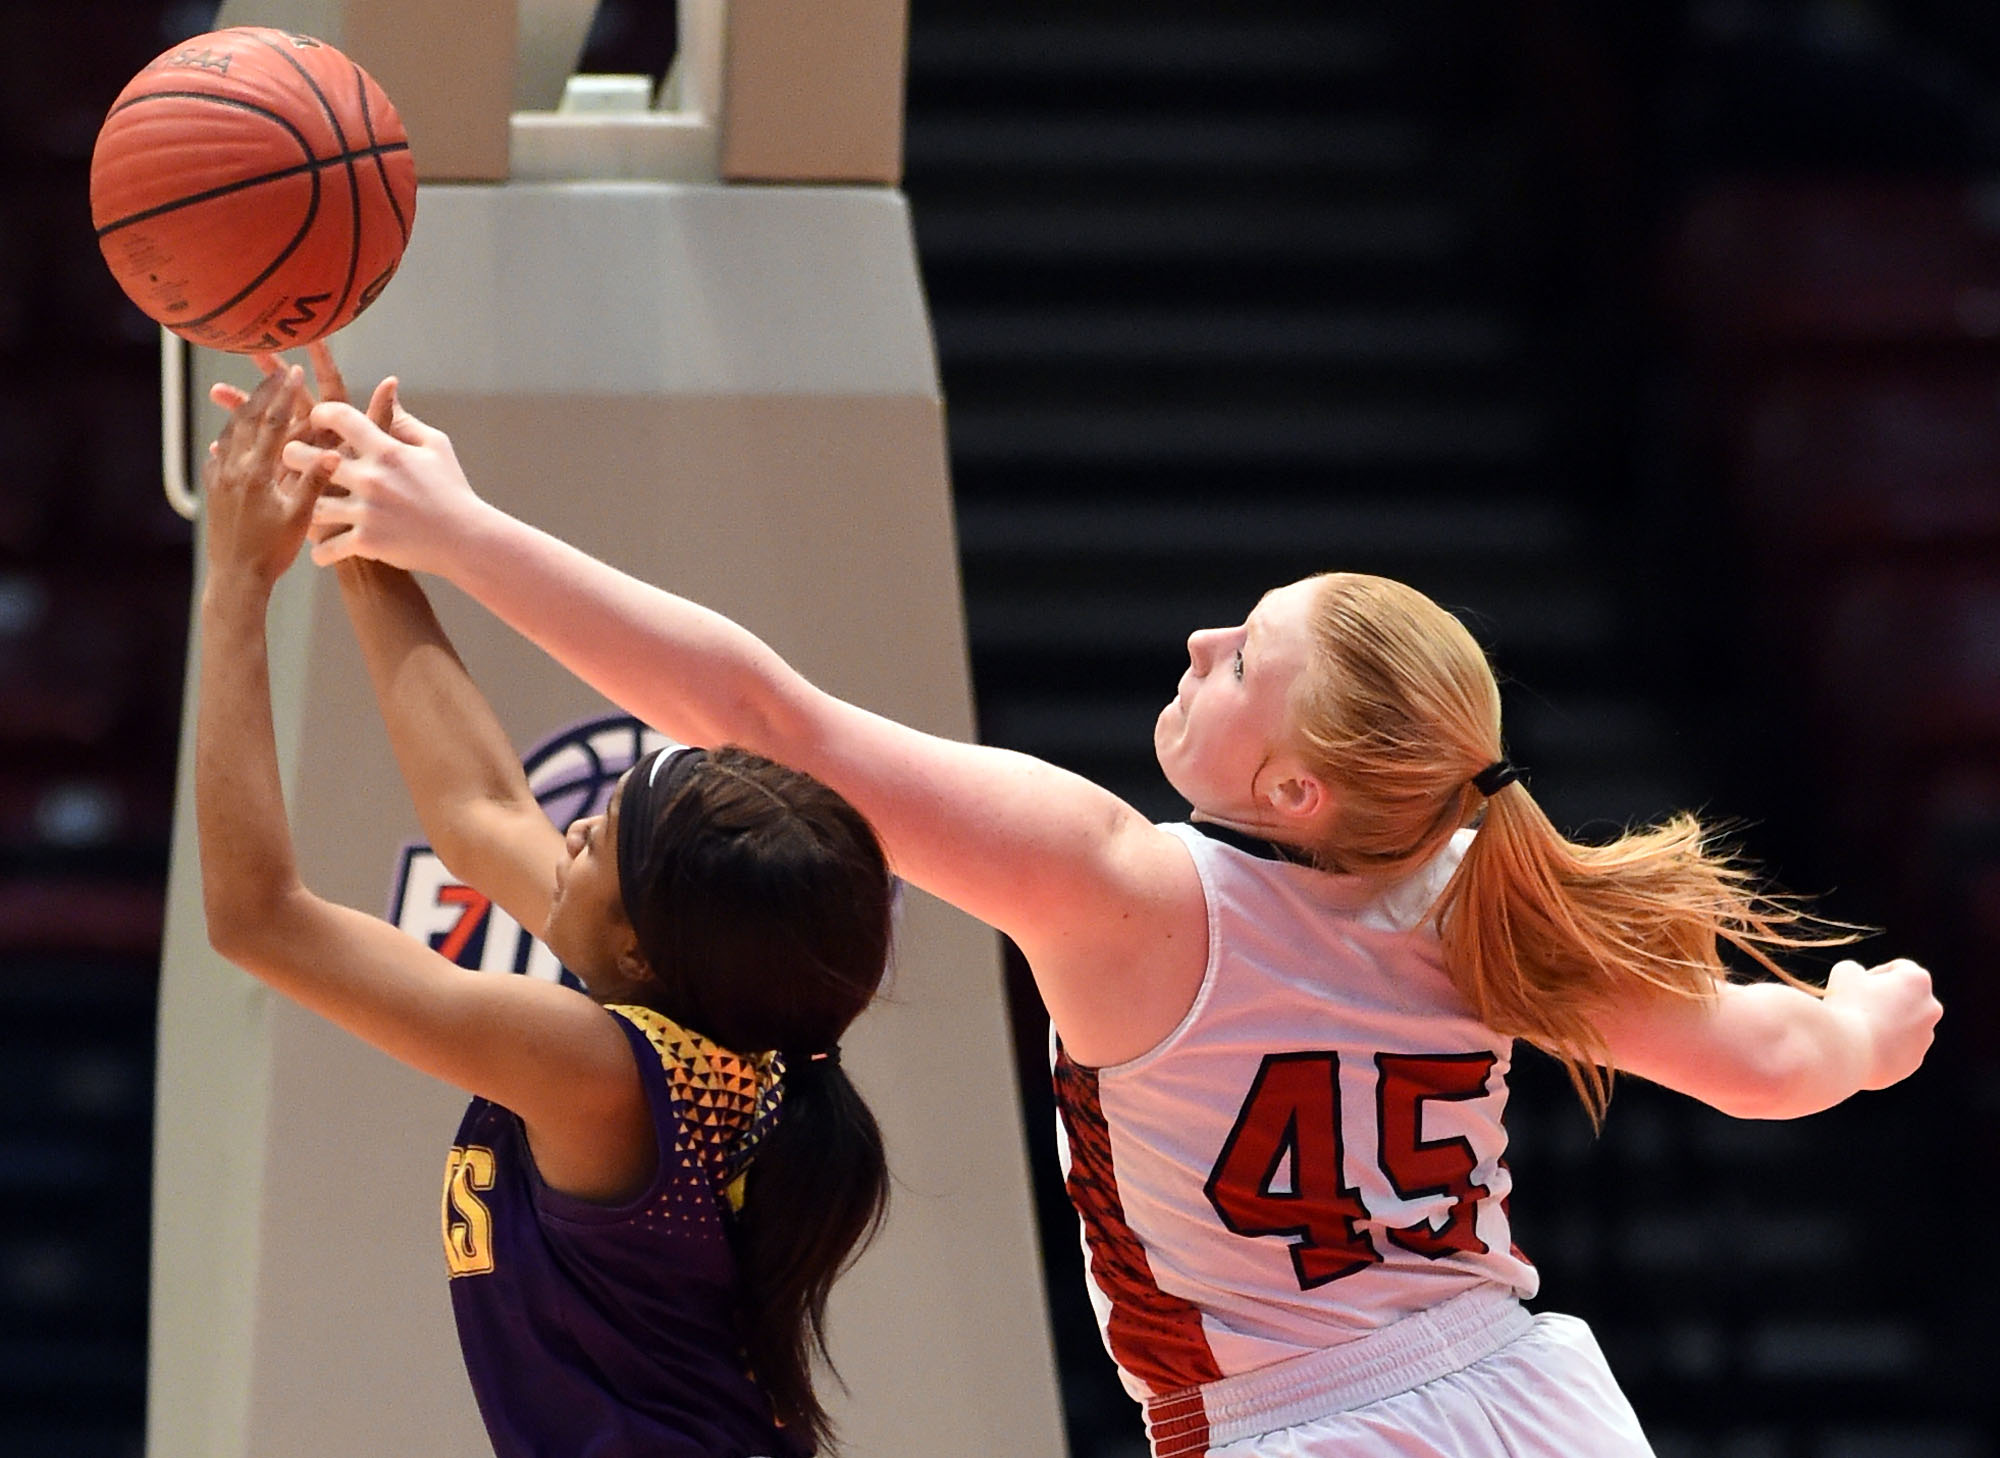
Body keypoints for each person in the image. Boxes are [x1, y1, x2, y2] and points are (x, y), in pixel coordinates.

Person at [283, 382, 1940, 1458]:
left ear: (1290, 786)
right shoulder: (1488, 897)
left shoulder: (1124, 886)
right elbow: (1775, 1059)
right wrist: (1873, 1020)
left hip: (1298, 1430)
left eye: (1248, 658)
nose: (1210, 632)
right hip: (1541, 1402)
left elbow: (758, 711)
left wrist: (458, 530)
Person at [196, 353, 895, 1458]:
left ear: (639, 944)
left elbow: (258, 918)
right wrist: (354, 530)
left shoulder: (599, 1069)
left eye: (598, 840)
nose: (566, 830)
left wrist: (236, 582)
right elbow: (477, 809)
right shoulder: (705, 1021)